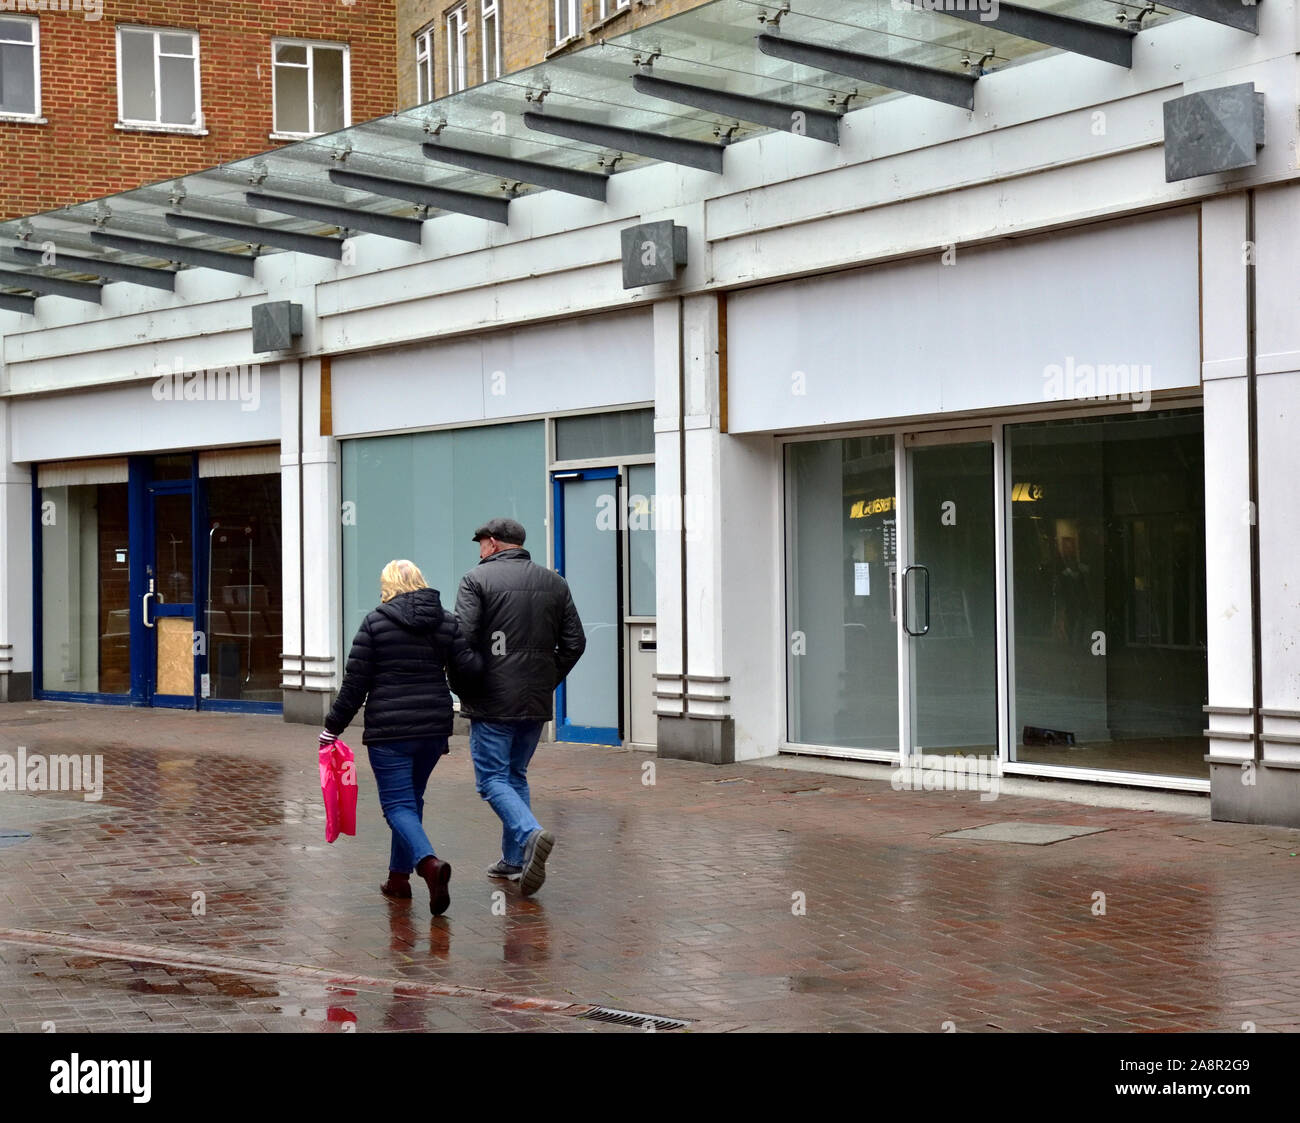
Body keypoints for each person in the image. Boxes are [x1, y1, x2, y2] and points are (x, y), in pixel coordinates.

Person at [319, 559, 481, 917]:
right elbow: (469, 669)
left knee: (397, 805)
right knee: (411, 800)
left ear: (388, 585)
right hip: (434, 726)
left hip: (390, 730)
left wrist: (332, 728)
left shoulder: (376, 623)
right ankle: (398, 879)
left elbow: (355, 685)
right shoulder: (446, 621)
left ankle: (428, 866)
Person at [454, 517, 586, 896]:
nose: (479, 550)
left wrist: (464, 688)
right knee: (515, 775)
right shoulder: (554, 582)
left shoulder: (475, 580)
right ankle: (514, 860)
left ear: (493, 543)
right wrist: (545, 679)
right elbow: (574, 644)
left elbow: (462, 641)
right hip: (534, 700)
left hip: (492, 701)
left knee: (492, 780)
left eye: (480, 542)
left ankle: (530, 835)